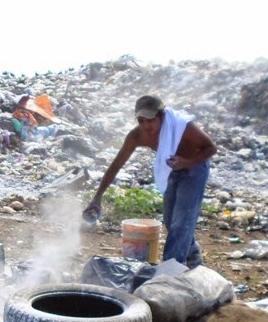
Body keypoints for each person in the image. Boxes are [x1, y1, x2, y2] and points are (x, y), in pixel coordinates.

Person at [83, 95, 216, 268]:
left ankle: (172, 270)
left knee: (181, 223)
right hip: (171, 170)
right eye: (141, 121)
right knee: (170, 221)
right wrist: (97, 196)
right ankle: (194, 260)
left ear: (161, 117)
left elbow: (211, 148)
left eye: (151, 121)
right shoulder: (137, 136)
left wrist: (186, 162)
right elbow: (116, 164)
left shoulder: (182, 127)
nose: (146, 126)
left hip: (194, 168)